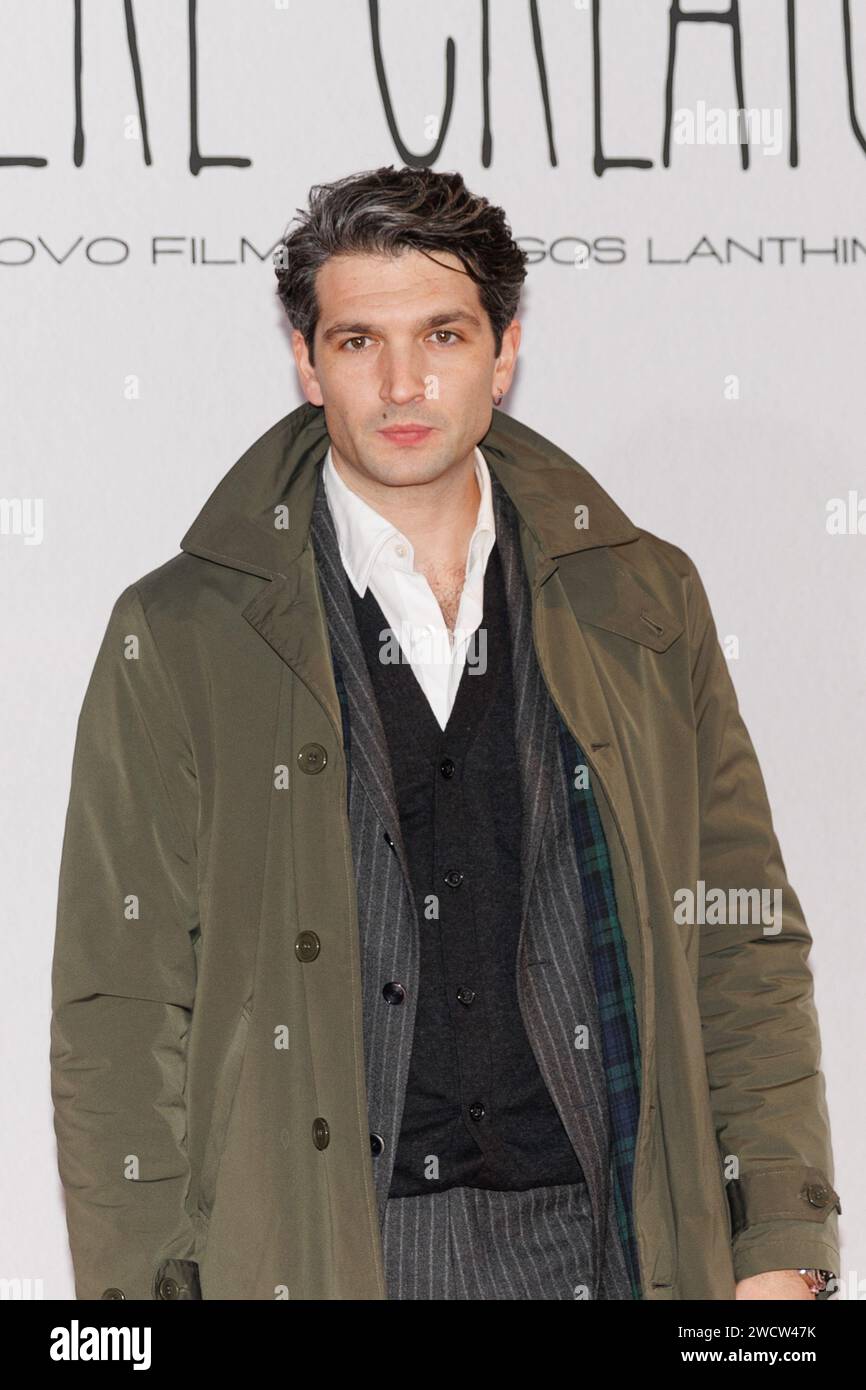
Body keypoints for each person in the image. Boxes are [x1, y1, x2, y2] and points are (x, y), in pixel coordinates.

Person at [50, 164, 840, 1301]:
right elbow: (120, 1006)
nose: (403, 381)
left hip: (609, 1237)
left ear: (504, 350)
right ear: (305, 360)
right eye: (359, 340)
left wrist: (774, 1246)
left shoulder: (642, 600)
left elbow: (739, 939)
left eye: (443, 333)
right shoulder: (180, 632)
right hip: (328, 1249)